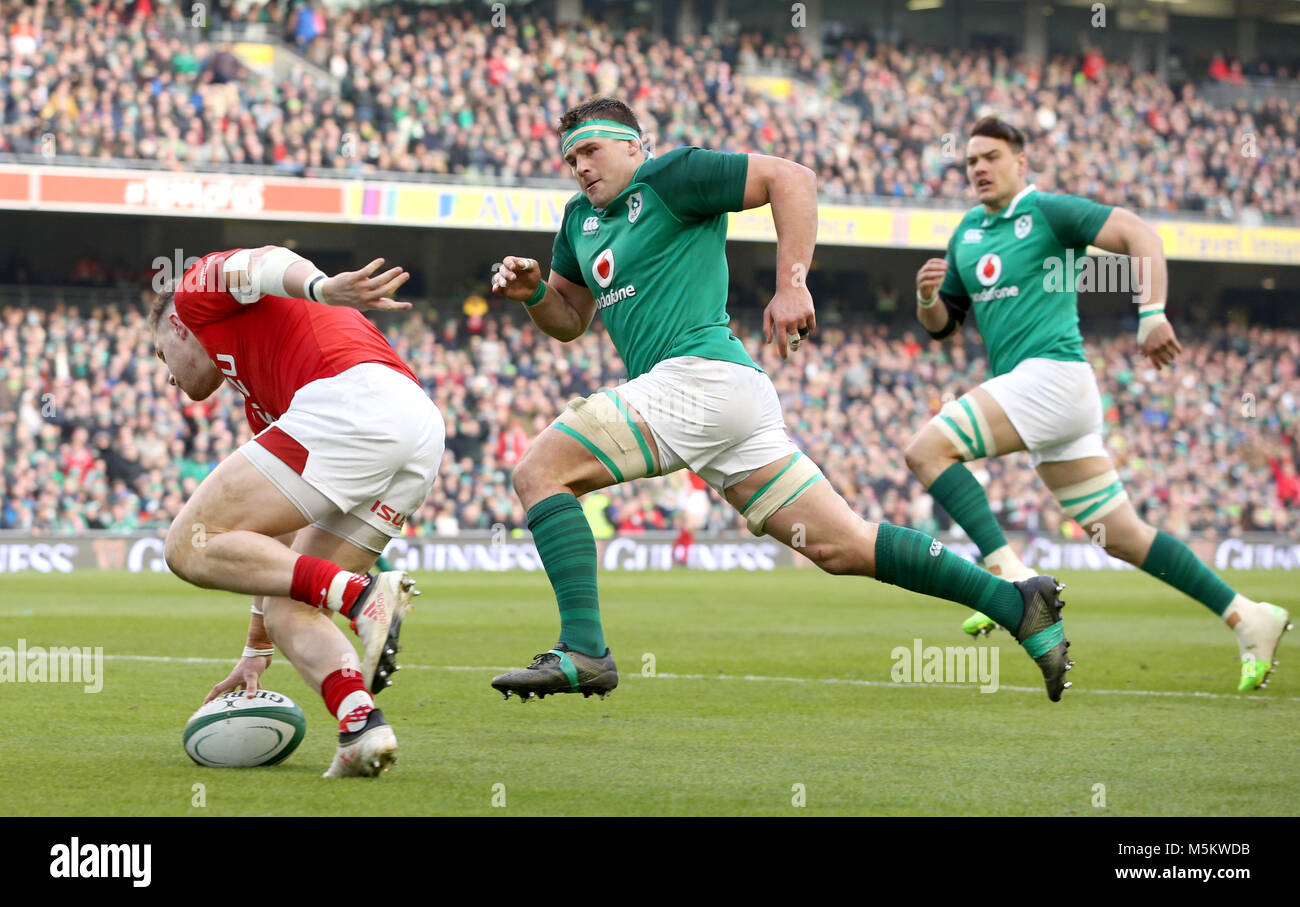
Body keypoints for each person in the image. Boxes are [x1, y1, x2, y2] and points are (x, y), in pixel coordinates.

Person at [489, 96, 1074, 703]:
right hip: (718, 399)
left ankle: (583, 649)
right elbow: (569, 319)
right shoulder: (577, 220)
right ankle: (1017, 602)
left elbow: (791, 177)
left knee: (539, 472)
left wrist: (792, 283)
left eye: (591, 151)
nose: (581, 167)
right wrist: (534, 294)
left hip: (698, 378)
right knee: (841, 546)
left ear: (635, 146)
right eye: (570, 158)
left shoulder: (672, 175)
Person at [905, 117, 1291, 692]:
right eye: (970, 161)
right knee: (1122, 535)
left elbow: (1141, 235)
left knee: (925, 450)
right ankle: (1247, 616)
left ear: (1021, 162)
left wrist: (1152, 311)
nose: (979, 168)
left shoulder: (1050, 213)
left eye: (991, 156)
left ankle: (1009, 578)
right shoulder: (966, 233)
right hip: (1050, 399)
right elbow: (943, 328)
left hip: (1051, 377)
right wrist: (927, 298)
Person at [151, 245, 445, 774]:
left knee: (186, 544)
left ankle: (362, 594)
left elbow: (265, 260)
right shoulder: (260, 398)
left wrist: (323, 288)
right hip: (415, 428)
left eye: (159, 356)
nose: (167, 375)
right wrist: (256, 648)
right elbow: (276, 546)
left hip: (355, 400)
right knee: (293, 606)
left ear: (176, 328)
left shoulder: (193, 296)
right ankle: (361, 728)